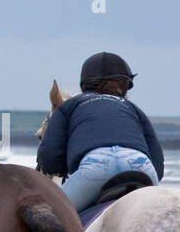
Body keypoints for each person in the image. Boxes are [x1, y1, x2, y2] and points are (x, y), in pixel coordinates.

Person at [36, 52, 164, 211]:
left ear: (85, 84)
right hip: (142, 167)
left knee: (50, 217)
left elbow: (50, 159)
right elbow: (158, 166)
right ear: (124, 86)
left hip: (97, 167)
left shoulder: (70, 106)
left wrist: (62, 167)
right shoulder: (134, 110)